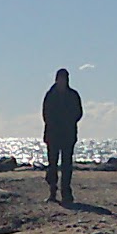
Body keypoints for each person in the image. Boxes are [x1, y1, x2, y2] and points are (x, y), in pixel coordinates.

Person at [42, 68, 84, 204]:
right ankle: (52, 191)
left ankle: (66, 192)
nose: (62, 81)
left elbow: (78, 113)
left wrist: (68, 122)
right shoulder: (50, 95)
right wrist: (54, 124)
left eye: (64, 78)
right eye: (60, 78)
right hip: (53, 135)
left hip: (68, 135)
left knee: (66, 165)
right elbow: (46, 114)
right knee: (52, 164)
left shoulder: (73, 95)